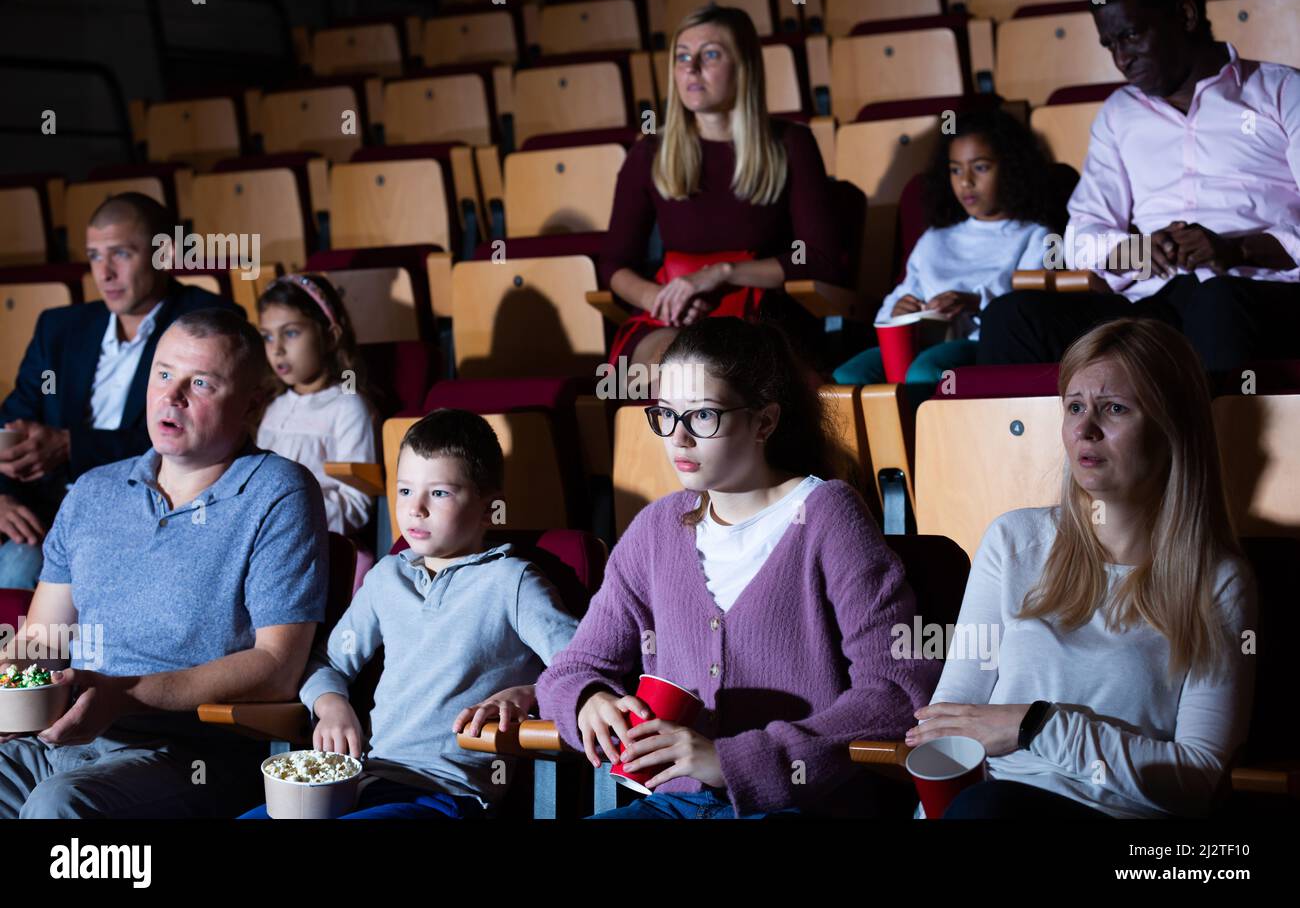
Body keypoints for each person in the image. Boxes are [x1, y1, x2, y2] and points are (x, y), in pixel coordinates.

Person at [536, 317, 940, 818]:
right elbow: (572, 668)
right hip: (674, 807)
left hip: (798, 806)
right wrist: (587, 699)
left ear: (764, 422)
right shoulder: (656, 528)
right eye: (665, 414)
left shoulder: (829, 514)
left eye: (702, 416)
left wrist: (736, 761)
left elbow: (897, 689)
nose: (678, 439)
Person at [910, 318, 1255, 818]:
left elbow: (1198, 778)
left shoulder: (1219, 581)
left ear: (1171, 427)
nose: (1083, 428)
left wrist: (1037, 726)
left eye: (1113, 408)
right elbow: (948, 723)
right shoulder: (1013, 540)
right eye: (1074, 406)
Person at [0, 308, 329, 818]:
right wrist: (12, 677)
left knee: (58, 806)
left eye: (200, 383)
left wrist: (124, 695)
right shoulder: (93, 490)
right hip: (63, 739)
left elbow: (277, 667)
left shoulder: (278, 492)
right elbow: (43, 639)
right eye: (163, 374)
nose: (172, 396)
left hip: (193, 753)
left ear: (253, 404)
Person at [239, 409, 579, 819]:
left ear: (490, 509)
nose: (415, 509)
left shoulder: (512, 582)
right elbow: (327, 662)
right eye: (404, 491)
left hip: (447, 794)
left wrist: (527, 693)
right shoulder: (387, 578)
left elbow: (582, 668)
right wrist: (331, 705)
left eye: (439, 493)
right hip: (362, 781)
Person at [977, 0, 1300, 374]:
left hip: (1259, 293)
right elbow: (1080, 239)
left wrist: (1236, 248)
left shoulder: (1282, 91)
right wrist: (1138, 250)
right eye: (1110, 44)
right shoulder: (1119, 114)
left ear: (1184, 15)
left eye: (1130, 35)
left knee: (1216, 301)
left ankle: (1206, 442)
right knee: (1011, 317)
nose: (1121, 59)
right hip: (1154, 304)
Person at [0, 192, 237, 588]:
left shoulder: (206, 322)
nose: (104, 273)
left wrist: (70, 445)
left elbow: (187, 435)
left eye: (121, 254)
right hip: (44, 512)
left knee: (17, 572)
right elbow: (12, 422)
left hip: (148, 511)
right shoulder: (59, 328)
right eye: (94, 256)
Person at [600, 4, 846, 379]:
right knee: (670, 367)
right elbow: (614, 265)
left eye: (710, 54)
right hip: (672, 311)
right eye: (682, 57)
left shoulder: (791, 143)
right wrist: (660, 300)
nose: (691, 68)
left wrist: (723, 274)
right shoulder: (648, 153)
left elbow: (820, 258)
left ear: (743, 65)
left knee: (710, 368)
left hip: (763, 313)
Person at [832, 109, 1057, 391]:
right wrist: (898, 310)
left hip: (978, 343)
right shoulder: (935, 237)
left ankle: (921, 436)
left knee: (925, 372)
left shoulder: (1036, 235)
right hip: (917, 340)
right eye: (955, 169)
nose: (965, 181)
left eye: (981, 167)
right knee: (847, 377)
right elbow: (900, 296)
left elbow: (1030, 308)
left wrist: (973, 301)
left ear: (1011, 167)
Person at [256, 274, 376, 536]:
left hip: (320, 542)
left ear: (330, 337)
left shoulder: (348, 407)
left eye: (290, 333)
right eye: (267, 337)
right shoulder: (273, 407)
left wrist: (292, 513)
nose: (277, 349)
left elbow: (358, 504)